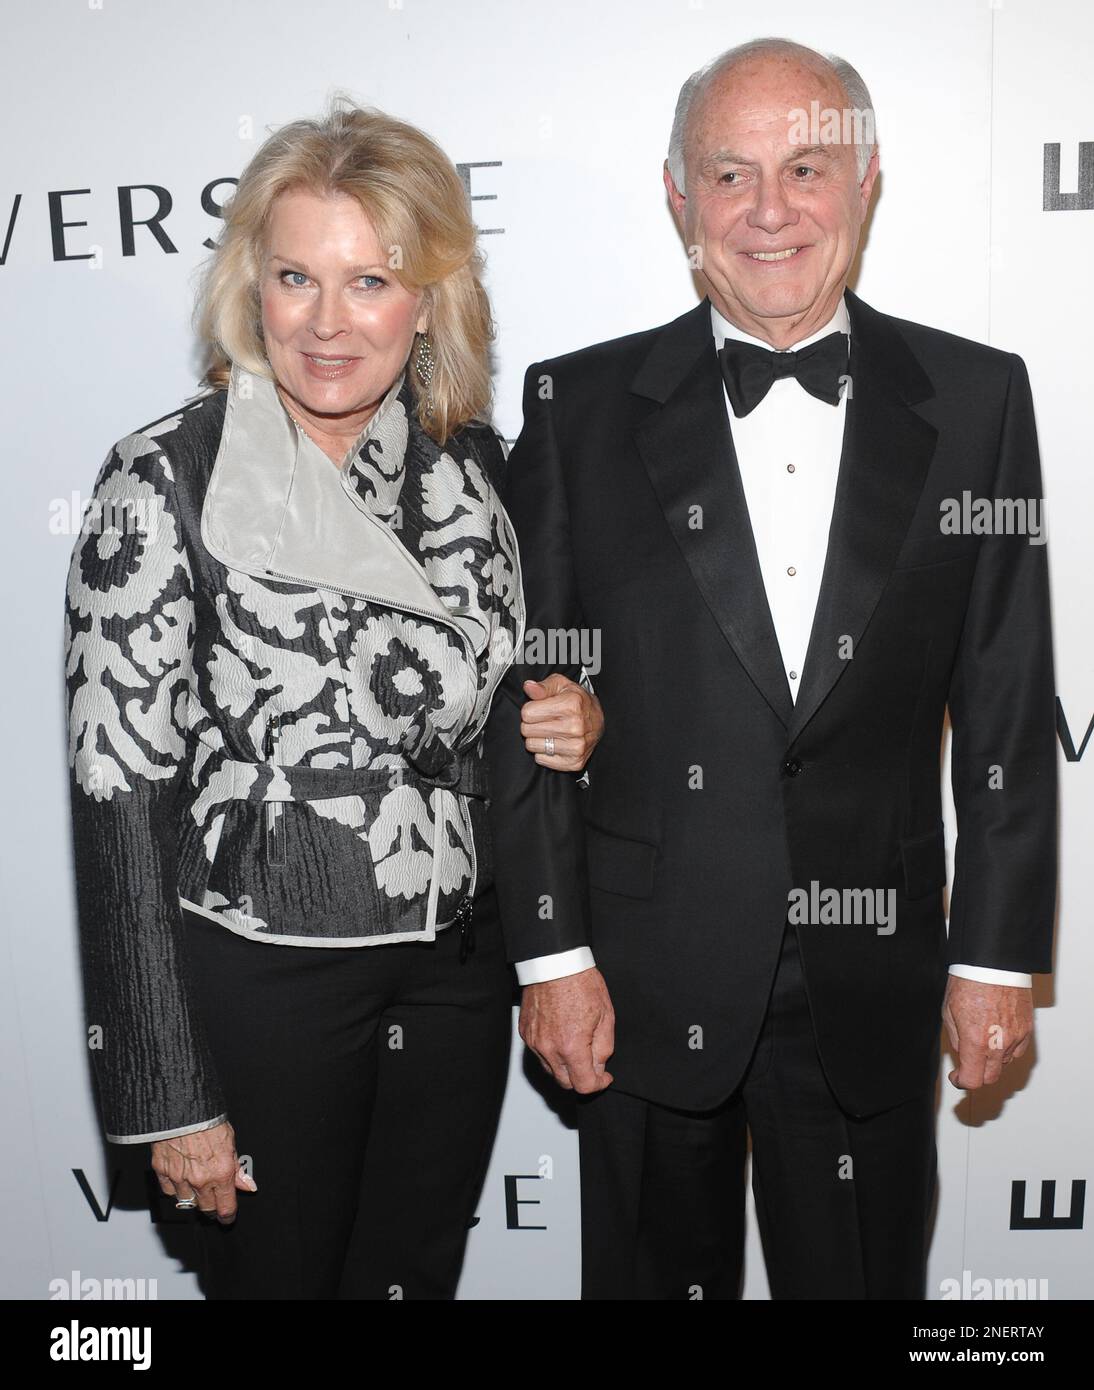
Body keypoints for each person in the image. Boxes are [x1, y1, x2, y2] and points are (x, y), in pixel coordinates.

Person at [485, 36, 1057, 1299]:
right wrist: (549, 956)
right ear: (677, 198)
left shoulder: (974, 402)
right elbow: (526, 703)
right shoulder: (576, 410)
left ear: (864, 181)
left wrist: (989, 957)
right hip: (637, 979)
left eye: (804, 167)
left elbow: (1010, 695)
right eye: (728, 174)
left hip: (874, 966)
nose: (768, 210)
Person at [64, 99, 602, 1300]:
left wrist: (582, 717)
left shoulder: (472, 463)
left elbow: (521, 685)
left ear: (430, 302)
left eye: (369, 282)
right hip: (264, 975)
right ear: (249, 285)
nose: (324, 323)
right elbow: (116, 802)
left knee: (411, 1278)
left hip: (453, 969)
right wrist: (167, 1089)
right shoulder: (163, 480)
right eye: (295, 276)